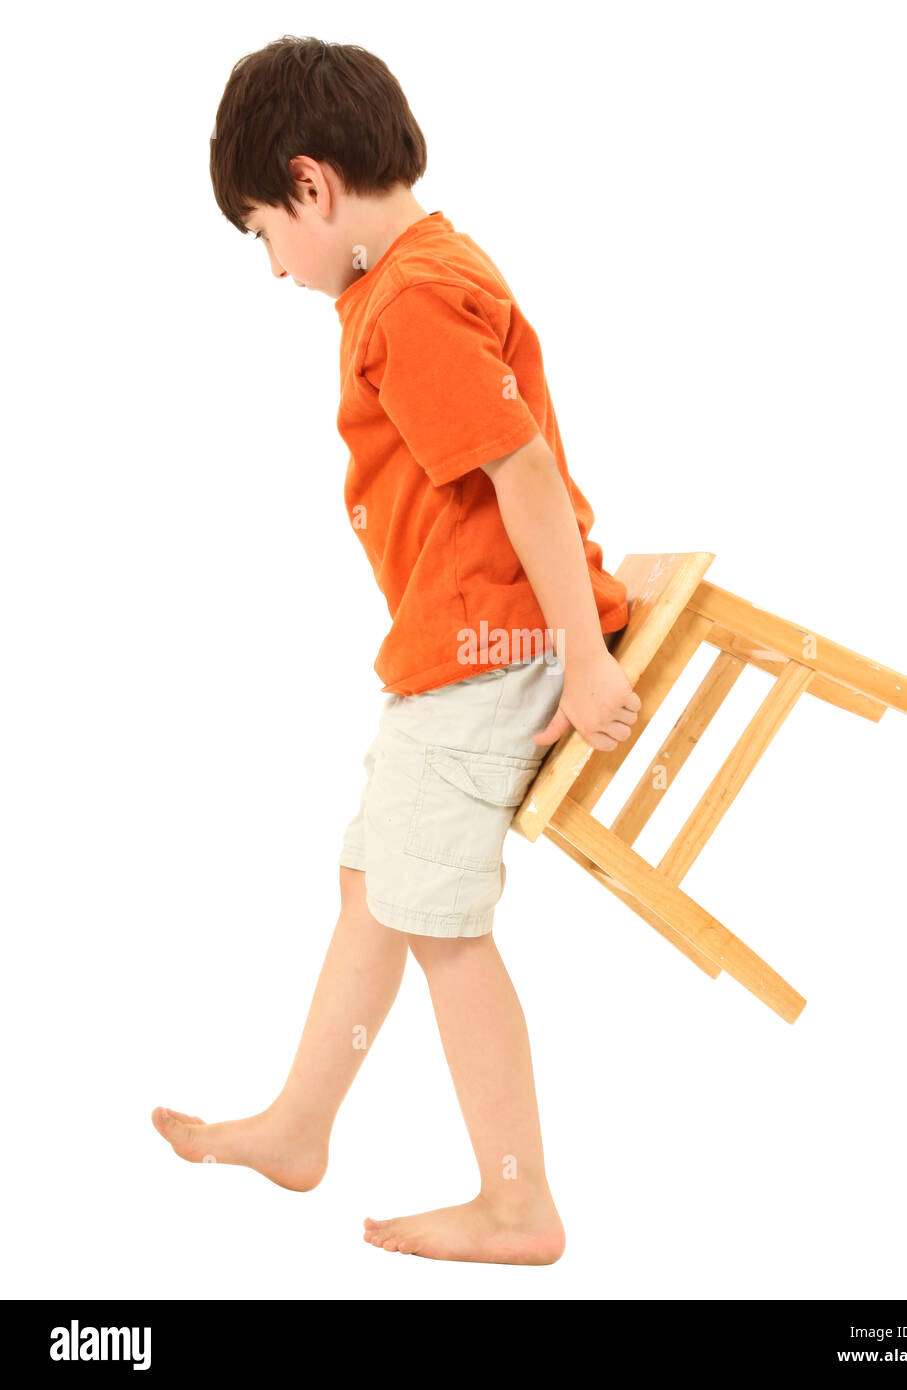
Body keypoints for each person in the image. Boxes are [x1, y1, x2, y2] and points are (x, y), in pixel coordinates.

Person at [152, 35, 639, 1265]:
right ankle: (300, 1124)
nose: (273, 267)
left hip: (484, 647)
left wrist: (580, 658)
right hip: (457, 641)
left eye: (264, 232)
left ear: (311, 187)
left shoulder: (409, 298)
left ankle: (518, 1201)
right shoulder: (408, 274)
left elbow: (521, 470)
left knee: (442, 925)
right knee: (377, 886)